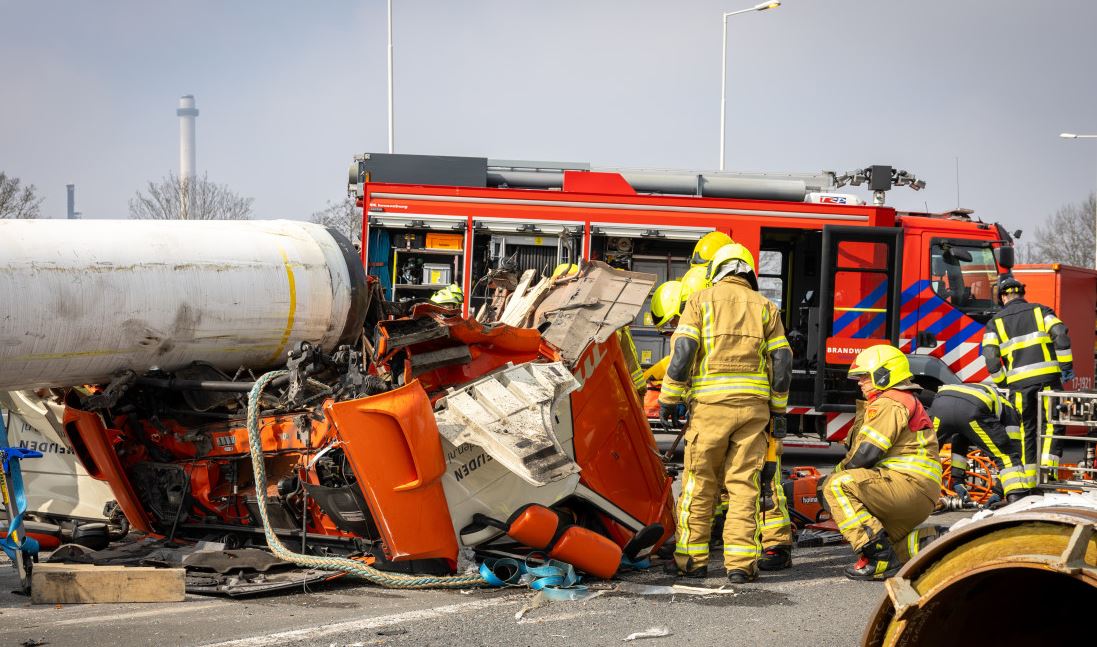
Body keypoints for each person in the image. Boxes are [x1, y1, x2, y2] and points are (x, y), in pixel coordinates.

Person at [659, 243, 792, 583]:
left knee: (699, 484)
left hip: (710, 409)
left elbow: (684, 349)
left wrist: (670, 397)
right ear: (748, 272)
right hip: (753, 411)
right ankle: (741, 565)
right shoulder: (766, 307)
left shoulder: (700, 300)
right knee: (744, 486)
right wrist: (777, 408)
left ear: (716, 270)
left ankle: (692, 560)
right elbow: (782, 360)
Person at [821, 345, 941, 580]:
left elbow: (866, 454)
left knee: (837, 486)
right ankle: (932, 540)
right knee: (888, 542)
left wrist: (828, 480)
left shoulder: (889, 401)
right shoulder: (901, 400)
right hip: (915, 491)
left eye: (865, 376)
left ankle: (879, 560)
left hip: (906, 486)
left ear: (884, 374)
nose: (859, 381)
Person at [981, 274, 1073, 490]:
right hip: (1049, 379)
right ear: (1022, 293)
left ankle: (1027, 481)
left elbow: (991, 358)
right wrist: (1066, 366)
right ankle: (1048, 475)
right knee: (1053, 424)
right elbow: (1060, 335)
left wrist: (1003, 381)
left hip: (1019, 386)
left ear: (1003, 297)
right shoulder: (1042, 311)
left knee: (1025, 430)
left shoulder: (994, 323)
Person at [929, 382, 1028, 503]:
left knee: (925, 452)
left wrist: (957, 480)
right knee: (1007, 456)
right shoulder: (1011, 413)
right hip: (973, 407)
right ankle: (1017, 498)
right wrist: (999, 492)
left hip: (941, 402)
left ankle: (916, 493)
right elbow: (1013, 452)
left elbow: (960, 439)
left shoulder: (992, 396)